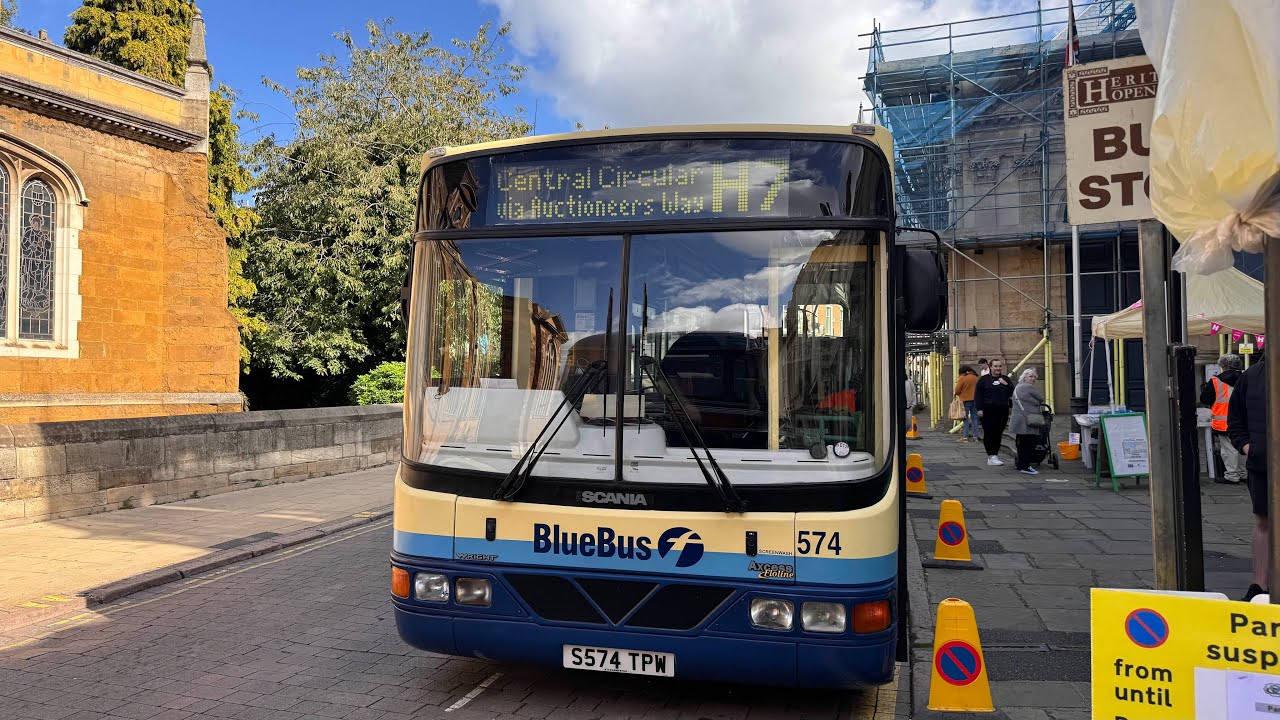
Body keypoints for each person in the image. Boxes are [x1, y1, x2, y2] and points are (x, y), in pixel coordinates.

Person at [1227, 356, 1268, 601]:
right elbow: (1235, 419)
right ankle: (1259, 585)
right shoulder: (1252, 376)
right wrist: (1246, 446)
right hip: (1262, 463)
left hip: (1260, 459)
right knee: (1263, 521)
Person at [1200, 354, 1245, 484]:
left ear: (1223, 366)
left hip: (1223, 421)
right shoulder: (1245, 378)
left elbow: (1205, 399)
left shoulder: (1215, 381)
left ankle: (1232, 475)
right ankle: (1244, 473)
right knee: (1242, 446)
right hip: (1243, 420)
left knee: (1228, 449)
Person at [974, 358, 1013, 465]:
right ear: (990, 367)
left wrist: (1005, 384)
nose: (998, 368)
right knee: (989, 433)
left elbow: (1013, 392)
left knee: (998, 433)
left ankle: (994, 455)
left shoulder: (1005, 379)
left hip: (1002, 410)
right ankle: (991, 455)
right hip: (987, 410)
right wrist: (979, 409)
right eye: (995, 366)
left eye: (1000, 366)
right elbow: (978, 395)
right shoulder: (983, 380)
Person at [1010, 368, 1045, 475]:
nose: (1033, 379)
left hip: (1019, 420)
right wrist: (1036, 402)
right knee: (1028, 444)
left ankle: (1021, 465)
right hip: (1027, 420)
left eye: (1035, 377)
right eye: (1030, 376)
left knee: (1021, 444)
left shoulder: (1018, 387)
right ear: (1024, 377)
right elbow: (1041, 398)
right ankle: (1025, 466)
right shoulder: (1028, 387)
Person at [954, 365, 979, 442]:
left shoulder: (962, 377)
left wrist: (958, 393)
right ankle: (975, 437)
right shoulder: (975, 377)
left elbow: (957, 390)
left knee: (965, 419)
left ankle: (965, 437)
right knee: (974, 418)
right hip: (975, 400)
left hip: (965, 400)